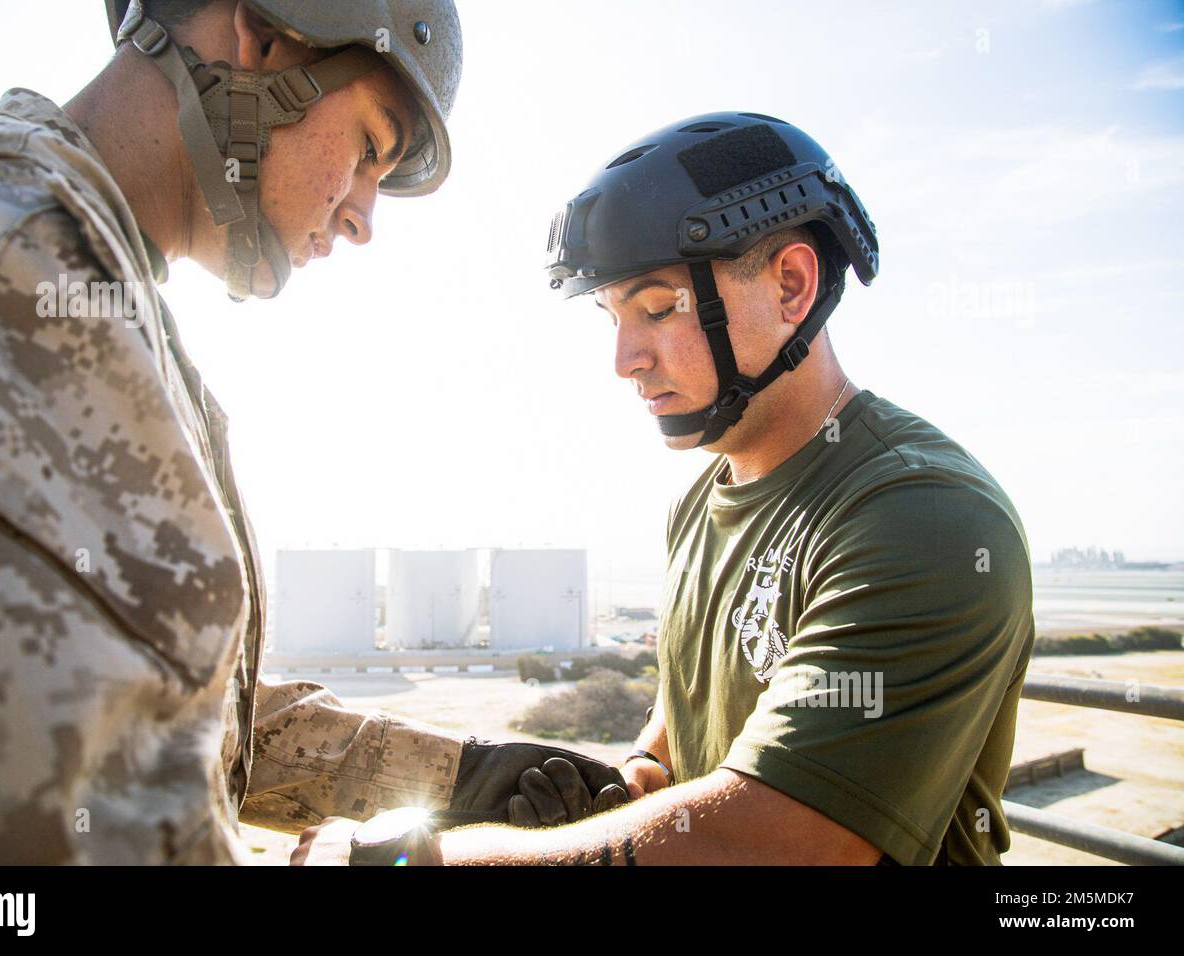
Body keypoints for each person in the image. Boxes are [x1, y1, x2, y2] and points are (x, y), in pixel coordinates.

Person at [0, 0, 624, 865]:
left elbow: (157, 714)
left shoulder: (86, 285)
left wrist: (463, 778)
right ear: (265, 38)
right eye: (368, 150)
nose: (361, 218)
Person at [291, 112, 1035, 865]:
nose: (624, 359)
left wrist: (413, 859)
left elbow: (779, 843)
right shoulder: (701, 502)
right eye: (611, 316)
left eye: (658, 308)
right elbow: (678, 743)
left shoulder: (923, 516)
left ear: (791, 286)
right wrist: (628, 787)